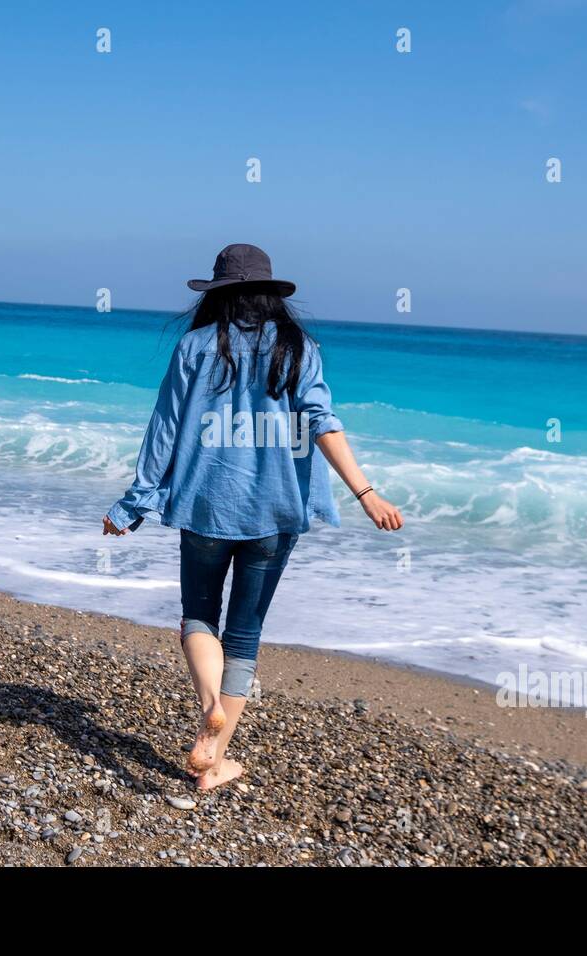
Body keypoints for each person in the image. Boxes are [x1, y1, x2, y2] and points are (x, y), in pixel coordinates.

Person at [103, 243, 403, 790]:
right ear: (271, 294)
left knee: (198, 615)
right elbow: (322, 421)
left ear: (218, 293)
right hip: (275, 511)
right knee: (244, 633)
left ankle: (211, 706)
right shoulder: (298, 348)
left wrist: (134, 502)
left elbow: (165, 426)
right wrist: (366, 493)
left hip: (204, 504)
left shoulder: (195, 346)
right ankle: (213, 757)